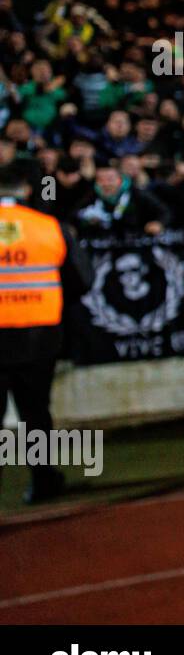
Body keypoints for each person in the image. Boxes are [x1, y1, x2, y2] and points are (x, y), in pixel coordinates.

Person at [0, 163, 93, 503]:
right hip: (38, 336)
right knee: (35, 412)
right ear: (26, 190)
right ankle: (43, 482)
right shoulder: (48, 227)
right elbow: (82, 280)